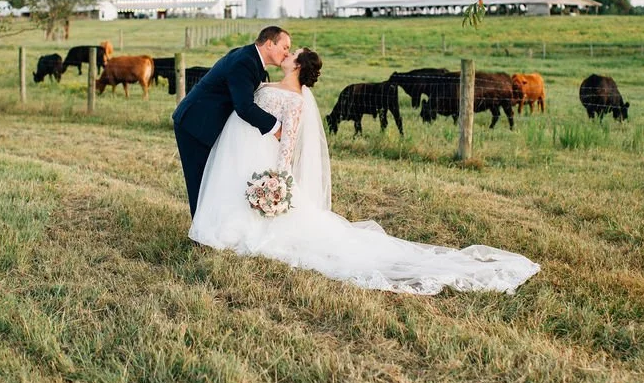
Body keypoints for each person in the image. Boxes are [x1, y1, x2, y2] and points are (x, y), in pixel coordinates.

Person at [189, 48, 541, 295]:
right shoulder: (269, 86)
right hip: (248, 157)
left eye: (292, 54)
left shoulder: (296, 101)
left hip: (269, 171)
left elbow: (289, 143)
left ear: (297, 66)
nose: (287, 55)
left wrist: (277, 183)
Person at [173, 26, 292, 217]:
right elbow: (244, 107)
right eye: (285, 47)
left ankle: (209, 225)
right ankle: (200, 234)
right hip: (194, 123)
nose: (287, 53)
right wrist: (277, 127)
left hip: (207, 122)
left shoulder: (250, 58)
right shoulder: (245, 62)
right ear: (270, 44)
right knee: (200, 180)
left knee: (212, 178)